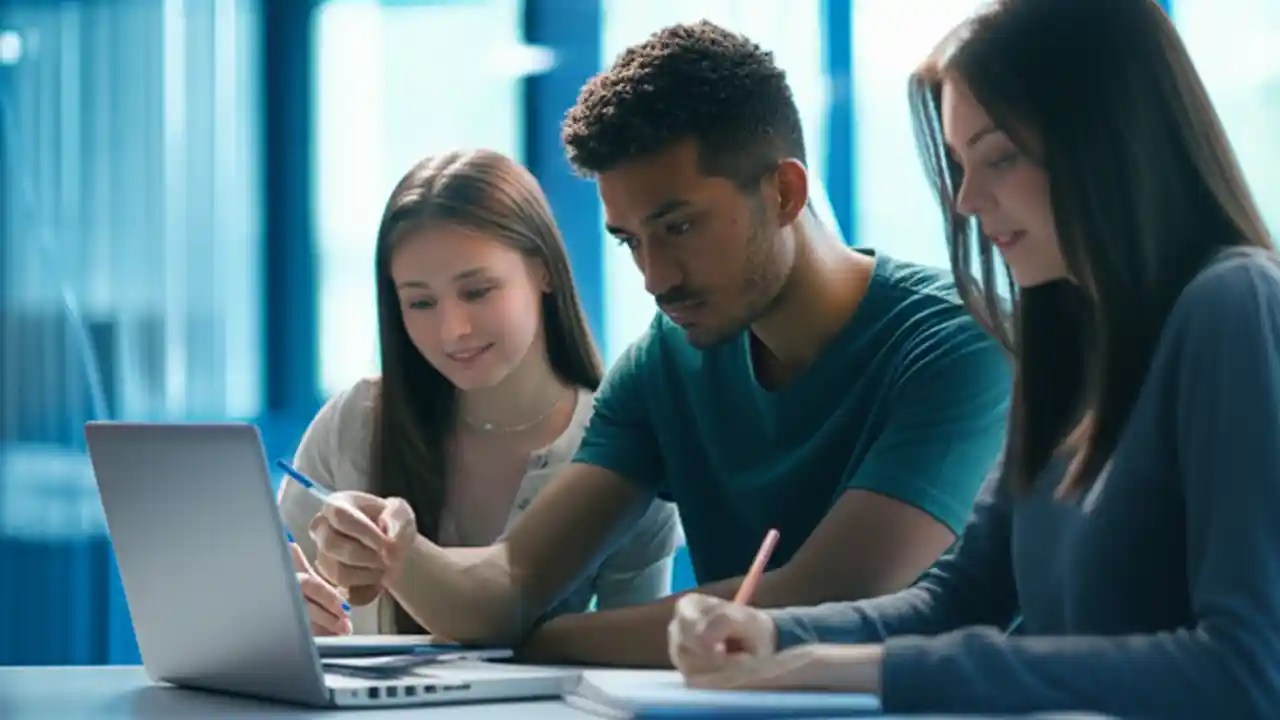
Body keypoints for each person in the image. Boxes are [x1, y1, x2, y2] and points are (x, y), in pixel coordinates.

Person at [302, 21, 1011, 665]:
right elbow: (510, 580)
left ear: (785, 194)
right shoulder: (665, 361)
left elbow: (831, 597)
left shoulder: (957, 342)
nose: (655, 278)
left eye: (679, 228)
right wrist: (401, 551)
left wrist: (531, 635)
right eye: (630, 241)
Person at [667, 1, 1280, 717]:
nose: (966, 200)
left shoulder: (1233, 304)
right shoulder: (1069, 344)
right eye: (960, 164)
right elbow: (959, 598)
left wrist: (851, 669)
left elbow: (1247, 668)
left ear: (1110, 141)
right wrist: (769, 633)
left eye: (1000, 157)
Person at [279, 149, 682, 637]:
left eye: (477, 291)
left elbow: (638, 660)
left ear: (544, 270)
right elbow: (270, 592)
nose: (454, 330)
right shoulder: (358, 419)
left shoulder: (617, 451)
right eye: (420, 302)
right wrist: (290, 615)